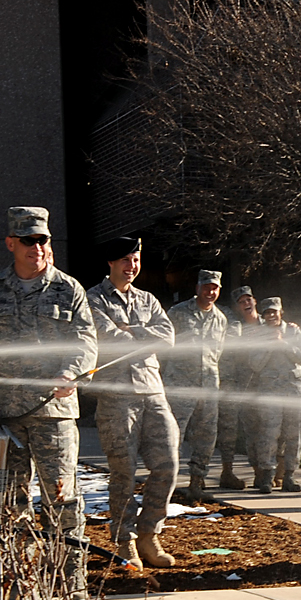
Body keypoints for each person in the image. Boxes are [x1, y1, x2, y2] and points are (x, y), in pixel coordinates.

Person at [0, 208, 100, 595]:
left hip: (52, 414)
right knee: (10, 503)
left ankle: (69, 582)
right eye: (28, 240)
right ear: (11, 243)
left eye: (43, 240)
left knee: (62, 497)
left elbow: (87, 341)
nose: (37, 247)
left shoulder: (67, 289)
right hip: (3, 417)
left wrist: (71, 373)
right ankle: (21, 581)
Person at [88, 236, 179, 568]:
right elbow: (109, 340)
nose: (132, 266)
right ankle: (123, 540)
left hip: (153, 391)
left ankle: (148, 533)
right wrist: (143, 335)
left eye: (136, 259)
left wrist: (133, 328)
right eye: (125, 260)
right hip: (117, 396)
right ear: (111, 263)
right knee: (123, 471)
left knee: (167, 463)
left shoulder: (148, 299)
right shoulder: (94, 299)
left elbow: (167, 338)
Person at [165, 269, 231, 497]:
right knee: (173, 434)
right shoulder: (178, 313)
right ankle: (166, 484)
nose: (210, 292)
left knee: (206, 435)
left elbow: (217, 352)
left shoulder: (221, 319)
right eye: (206, 286)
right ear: (197, 288)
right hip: (180, 386)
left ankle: (196, 482)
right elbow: (164, 345)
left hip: (209, 387)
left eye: (214, 288)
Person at [250, 297, 301, 492]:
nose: (271, 316)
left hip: (295, 389)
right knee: (269, 433)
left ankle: (289, 476)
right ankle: (267, 476)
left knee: (295, 433)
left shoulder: (293, 331)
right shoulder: (258, 335)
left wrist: (283, 343)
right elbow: (255, 365)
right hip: (270, 391)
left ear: (280, 312)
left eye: (274, 312)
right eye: (267, 312)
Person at [215, 286, 260, 489]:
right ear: (235, 307)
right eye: (241, 302)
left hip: (260, 385)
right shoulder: (231, 324)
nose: (246, 304)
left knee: (259, 428)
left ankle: (264, 472)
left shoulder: (269, 322)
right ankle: (227, 471)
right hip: (232, 384)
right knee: (229, 427)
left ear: (255, 301)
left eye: (248, 300)